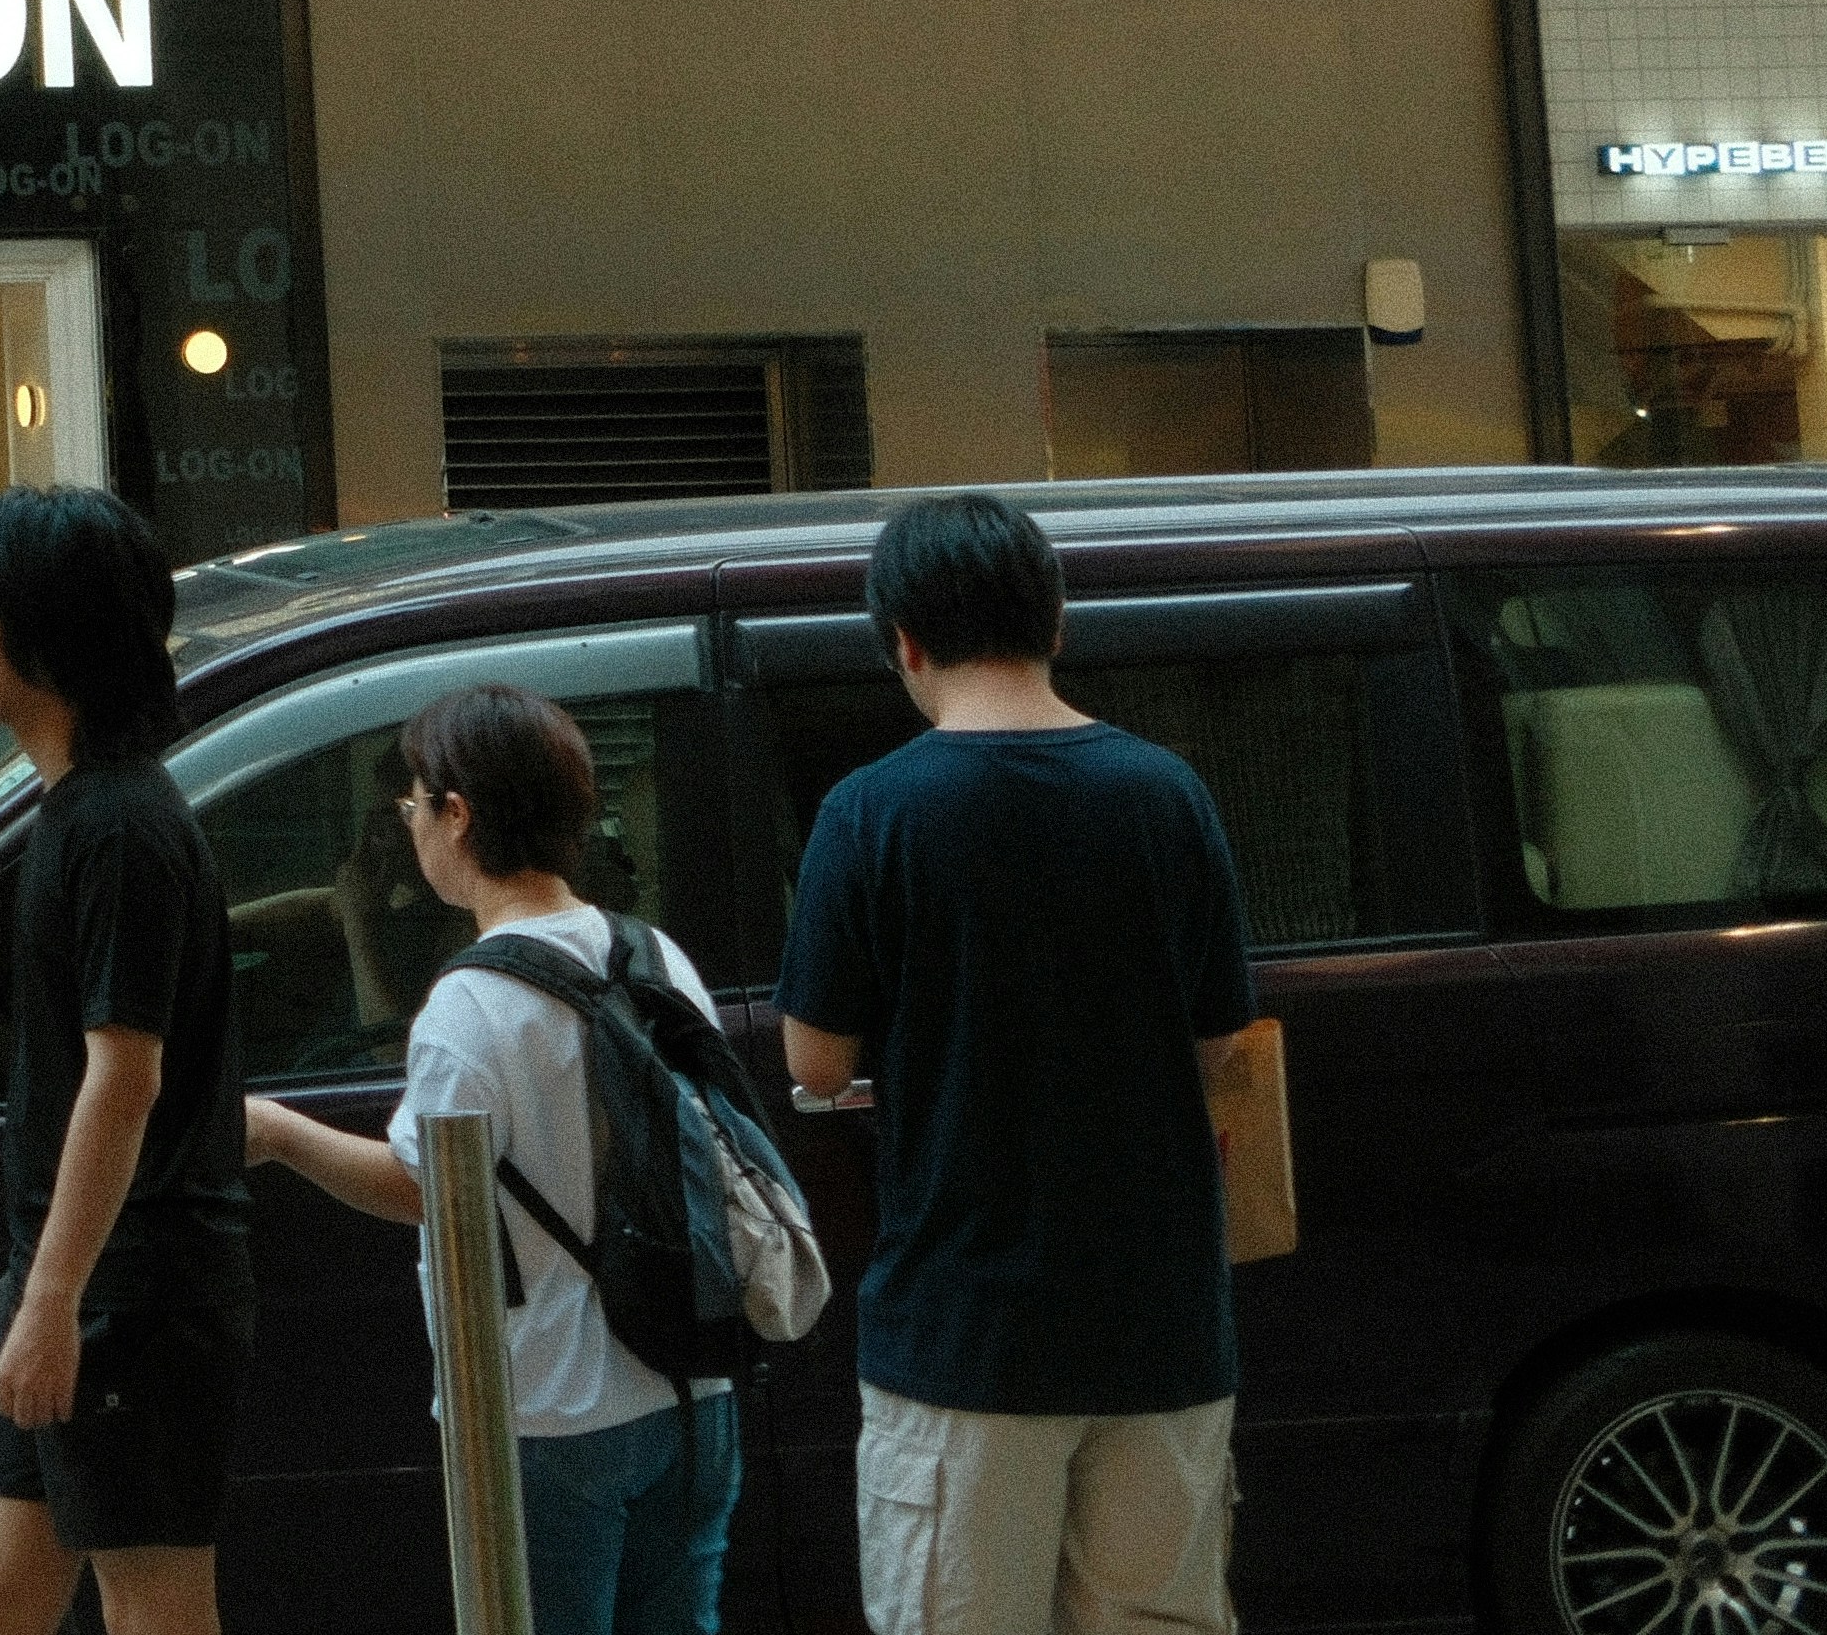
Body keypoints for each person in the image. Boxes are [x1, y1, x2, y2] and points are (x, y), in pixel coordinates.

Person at [775, 491, 1260, 1635]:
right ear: (1057, 622)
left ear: (903, 640)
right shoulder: (1167, 795)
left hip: (965, 1336)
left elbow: (815, 1053)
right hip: (1163, 1327)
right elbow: (1221, 1040)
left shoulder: (869, 815)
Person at [242, 686, 739, 1635]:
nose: (408, 822)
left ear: (457, 815)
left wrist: (276, 1131)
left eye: (413, 800)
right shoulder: (652, 954)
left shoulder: (473, 1003)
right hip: (691, 1386)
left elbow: (428, 1185)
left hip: (549, 1408)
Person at [0, 483, 243, 1635]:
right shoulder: (75, 811)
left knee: (154, 1609)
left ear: (51, 631)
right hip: (66, 1279)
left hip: (134, 1293)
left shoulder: (118, 826)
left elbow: (125, 1077)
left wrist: (54, 1299)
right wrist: (42, 1293)